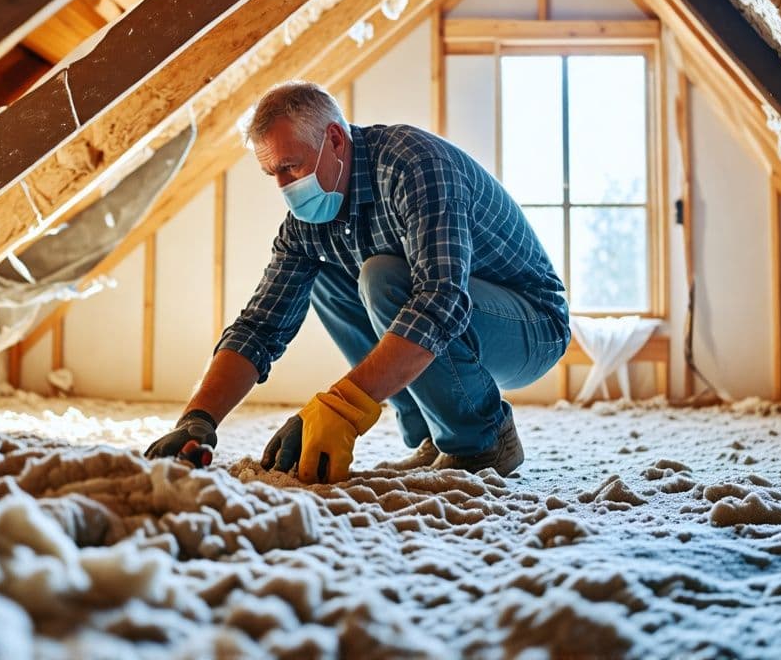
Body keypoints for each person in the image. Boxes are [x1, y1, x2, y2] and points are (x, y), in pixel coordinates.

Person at [145, 81, 569, 482]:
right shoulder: (306, 226)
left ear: (334, 140)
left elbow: (441, 302)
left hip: (532, 327)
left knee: (383, 276)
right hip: (464, 321)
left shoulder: (414, 165)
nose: (284, 187)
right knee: (327, 275)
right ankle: (430, 435)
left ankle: (482, 441)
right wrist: (198, 418)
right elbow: (261, 325)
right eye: (272, 174)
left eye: (291, 167)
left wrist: (343, 405)